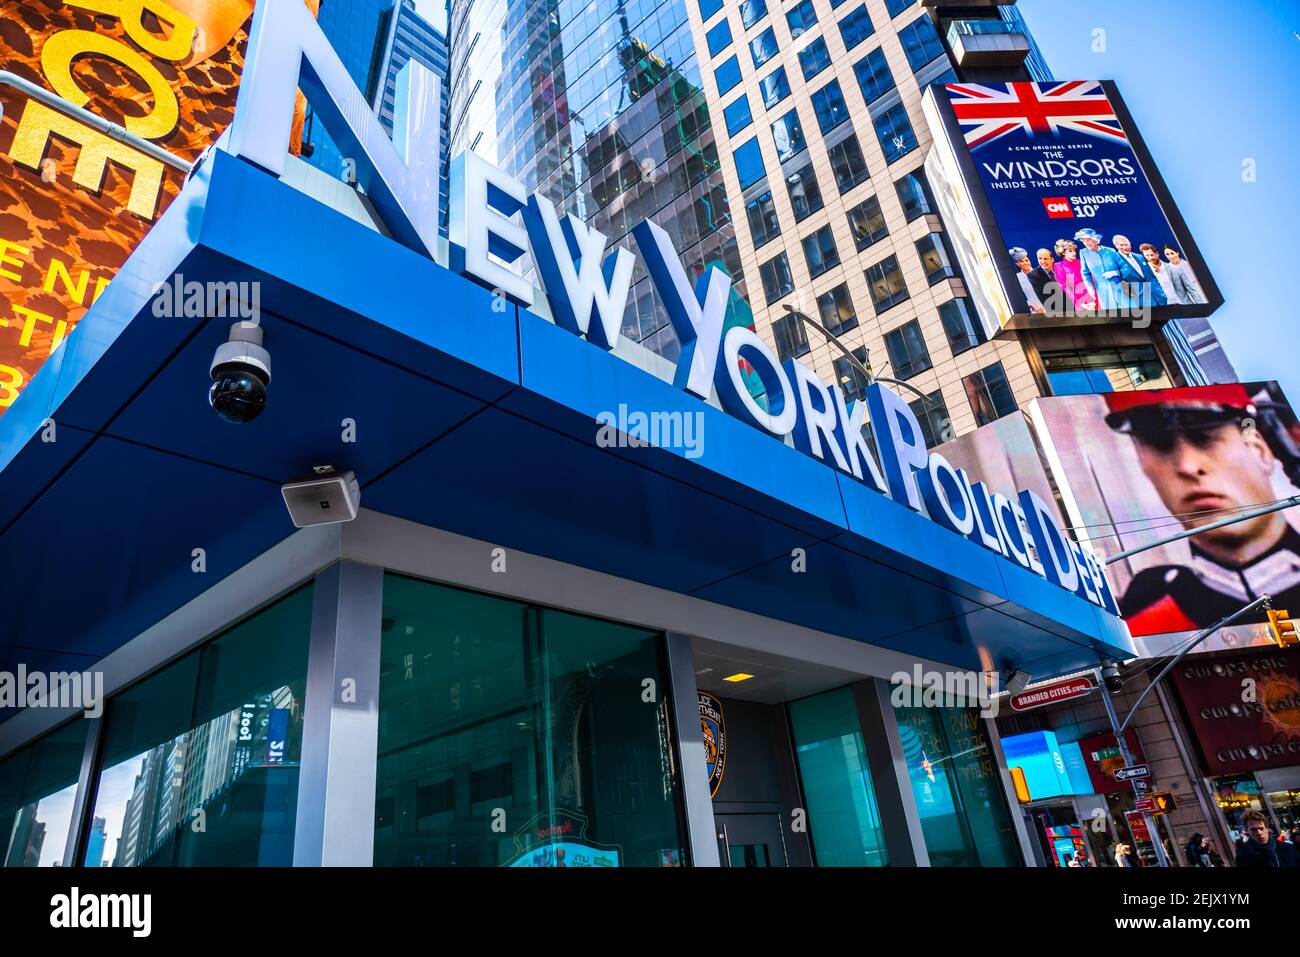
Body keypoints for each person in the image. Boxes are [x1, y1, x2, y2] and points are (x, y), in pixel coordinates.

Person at [1104, 386, 1300, 633]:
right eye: (1160, 444)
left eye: (1205, 438)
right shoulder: (1143, 615)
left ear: (1259, 451)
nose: (1187, 466)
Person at [1075, 228, 1128, 310]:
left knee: (1128, 314)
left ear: (1096, 239)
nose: (1086, 243)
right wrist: (1089, 286)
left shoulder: (1110, 251)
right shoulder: (1083, 253)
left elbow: (1126, 268)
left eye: (1088, 240)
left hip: (1120, 289)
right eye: (1083, 241)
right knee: (1111, 316)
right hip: (1103, 293)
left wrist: (1115, 273)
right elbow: (1085, 273)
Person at [1113, 235, 1166, 310]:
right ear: (1116, 246)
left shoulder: (1140, 257)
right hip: (1141, 303)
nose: (1125, 247)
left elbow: (1151, 276)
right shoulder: (1115, 261)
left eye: (1127, 244)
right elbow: (1120, 283)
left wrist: (1160, 292)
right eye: (1122, 245)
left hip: (1159, 298)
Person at [1235, 811, 1300, 868]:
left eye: (1261, 828)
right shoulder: (1243, 858)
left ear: (1266, 828)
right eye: (1253, 829)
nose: (1259, 833)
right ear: (1247, 831)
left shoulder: (1288, 848)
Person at [1052, 238, 1097, 313]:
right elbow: (1066, 287)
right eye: (1070, 251)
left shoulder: (1081, 263)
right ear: (1063, 253)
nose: (1073, 253)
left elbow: (1090, 281)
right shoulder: (1058, 266)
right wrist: (1079, 303)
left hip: (1090, 299)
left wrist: (1092, 300)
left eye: (1074, 250)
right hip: (1077, 302)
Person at [1009, 247, 1045, 313]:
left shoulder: (1040, 272)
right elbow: (1017, 298)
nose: (1025, 263)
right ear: (1017, 264)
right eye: (1021, 261)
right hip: (1033, 311)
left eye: (1026, 260)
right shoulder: (1017, 278)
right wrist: (1031, 305)